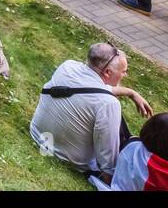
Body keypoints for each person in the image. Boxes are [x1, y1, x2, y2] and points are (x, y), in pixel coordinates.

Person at [30, 43, 153, 183]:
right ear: (107, 73)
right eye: (124, 71)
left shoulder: (68, 66)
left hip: (38, 136)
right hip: (66, 157)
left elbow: (95, 88)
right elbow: (107, 156)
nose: (125, 75)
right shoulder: (108, 103)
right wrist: (110, 176)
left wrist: (131, 92)